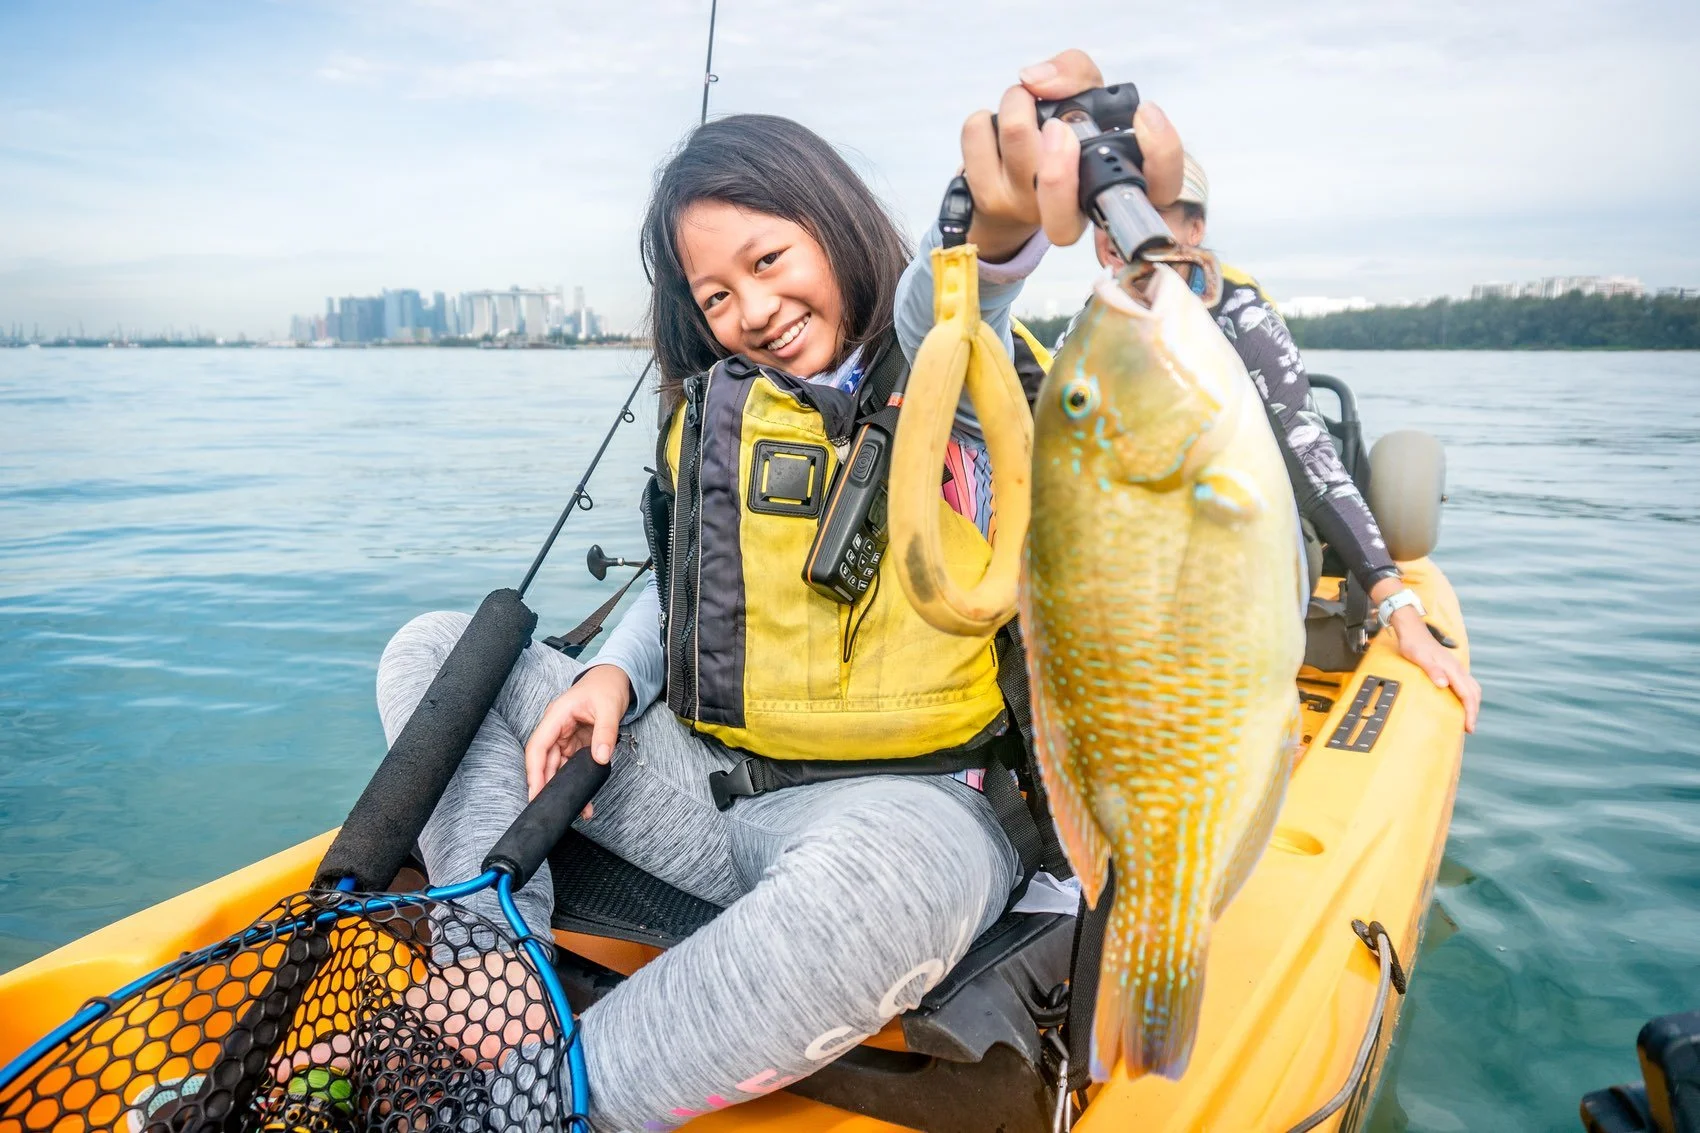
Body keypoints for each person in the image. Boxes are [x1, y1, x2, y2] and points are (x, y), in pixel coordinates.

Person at [375, 50, 1164, 1133]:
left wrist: (1002, 221)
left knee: (869, 892)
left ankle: (526, 1105)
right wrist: (611, 673)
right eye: (716, 294)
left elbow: (969, 280)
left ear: (831, 226)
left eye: (768, 258)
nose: (753, 306)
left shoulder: (942, 353)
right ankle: (494, 973)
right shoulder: (716, 410)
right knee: (437, 652)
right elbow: (686, 581)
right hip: (714, 798)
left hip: (917, 813)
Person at [1076, 150, 1482, 732]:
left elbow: (1314, 466)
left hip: (1253, 530)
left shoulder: (1238, 312)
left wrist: (1400, 610)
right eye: (1106, 215)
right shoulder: (1098, 314)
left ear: (1195, 228)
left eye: (1148, 211)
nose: (1122, 229)